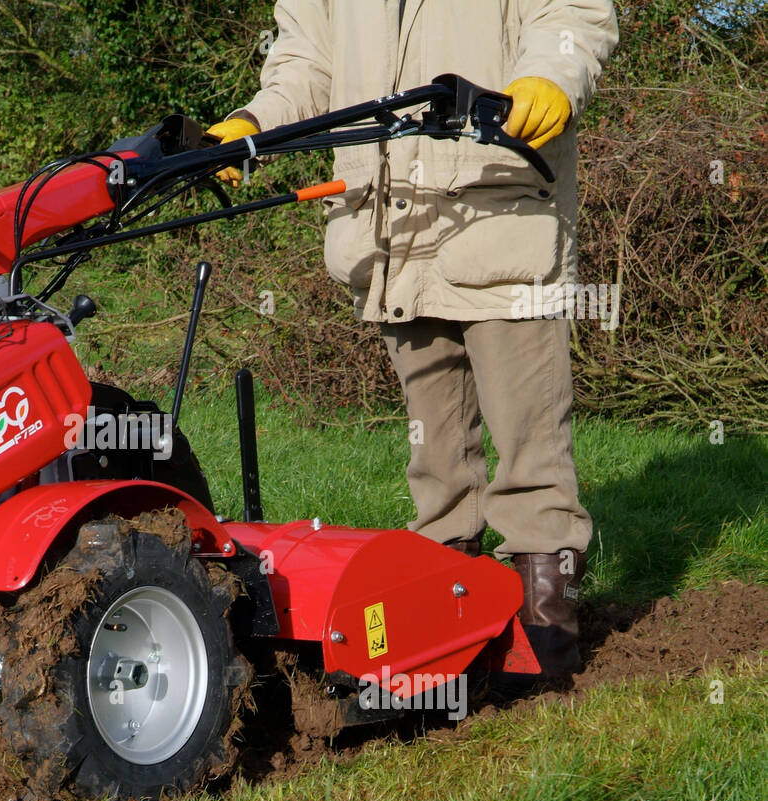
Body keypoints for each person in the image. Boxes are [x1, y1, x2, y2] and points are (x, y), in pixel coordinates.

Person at [208, 1, 619, 687]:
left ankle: (544, 640)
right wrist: (253, 125)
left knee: (530, 449)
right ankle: (443, 628)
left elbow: (569, 15)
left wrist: (551, 76)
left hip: (499, 211)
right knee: (437, 465)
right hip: (394, 231)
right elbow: (308, 60)